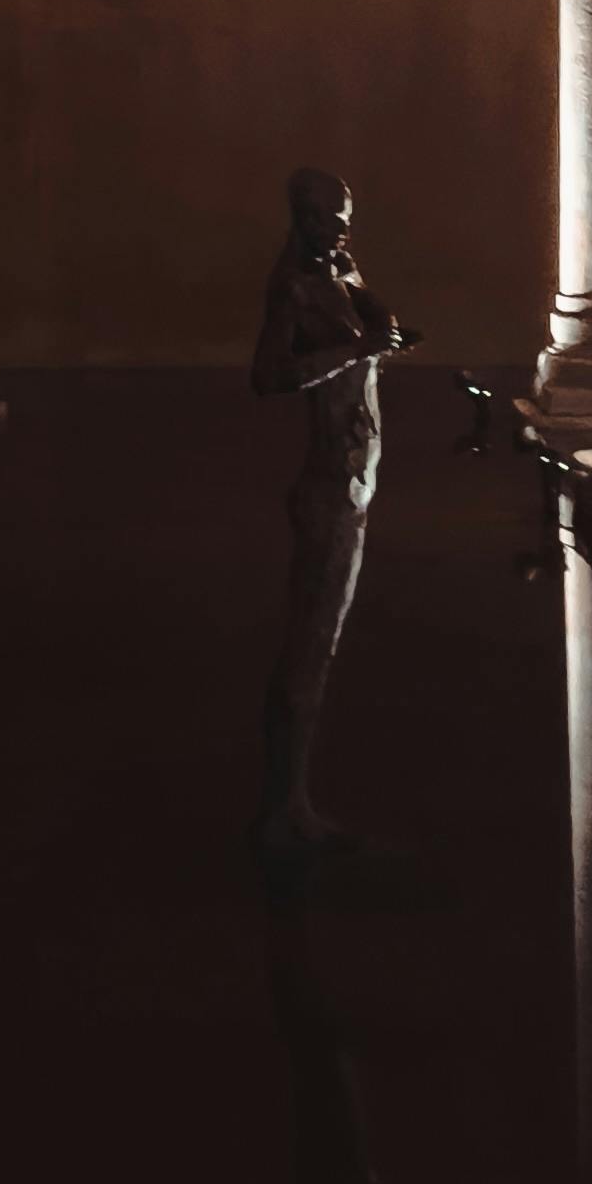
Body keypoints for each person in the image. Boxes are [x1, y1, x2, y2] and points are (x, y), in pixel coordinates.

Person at [249, 167, 416, 853]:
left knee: (321, 645)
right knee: (307, 650)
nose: (338, 230)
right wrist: (359, 347)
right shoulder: (292, 287)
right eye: (324, 219)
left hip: (354, 481)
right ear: (299, 218)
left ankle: (292, 800)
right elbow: (268, 376)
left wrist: (363, 298)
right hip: (328, 484)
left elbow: (379, 327)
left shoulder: (336, 273)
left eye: (346, 217)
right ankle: (284, 807)